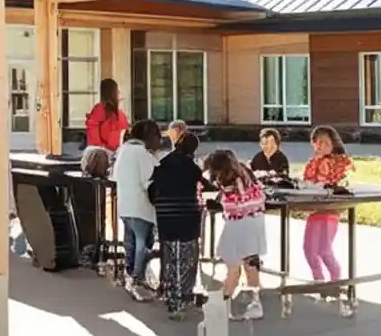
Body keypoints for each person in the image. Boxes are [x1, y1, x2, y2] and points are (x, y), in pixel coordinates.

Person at [149, 131, 207, 319]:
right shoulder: (192, 168)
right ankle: (181, 297)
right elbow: (204, 186)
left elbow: (152, 189)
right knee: (186, 258)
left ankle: (168, 291)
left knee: (169, 256)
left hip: (165, 217)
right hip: (186, 218)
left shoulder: (163, 164)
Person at [204, 149, 266, 321]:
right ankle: (253, 302)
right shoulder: (245, 172)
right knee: (250, 264)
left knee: (234, 266)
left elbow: (232, 204)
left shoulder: (229, 181)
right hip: (255, 220)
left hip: (239, 224)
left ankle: (225, 302)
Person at [113, 118, 161, 301]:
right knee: (142, 245)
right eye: (156, 135)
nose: (158, 140)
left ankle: (130, 276)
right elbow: (150, 181)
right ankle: (136, 280)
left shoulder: (123, 150)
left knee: (131, 244)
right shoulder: (142, 154)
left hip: (125, 206)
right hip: (141, 207)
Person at [302, 126, 355, 287]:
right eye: (317, 142)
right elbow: (306, 183)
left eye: (325, 142)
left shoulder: (341, 162)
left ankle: (335, 284)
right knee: (309, 250)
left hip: (330, 210)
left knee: (324, 250)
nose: (320, 146)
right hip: (314, 210)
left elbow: (344, 184)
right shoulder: (311, 163)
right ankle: (318, 281)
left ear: (333, 144)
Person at [85, 78, 129, 152]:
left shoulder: (120, 115)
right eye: (117, 91)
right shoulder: (99, 110)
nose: (119, 93)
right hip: (103, 154)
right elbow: (94, 141)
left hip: (115, 153)